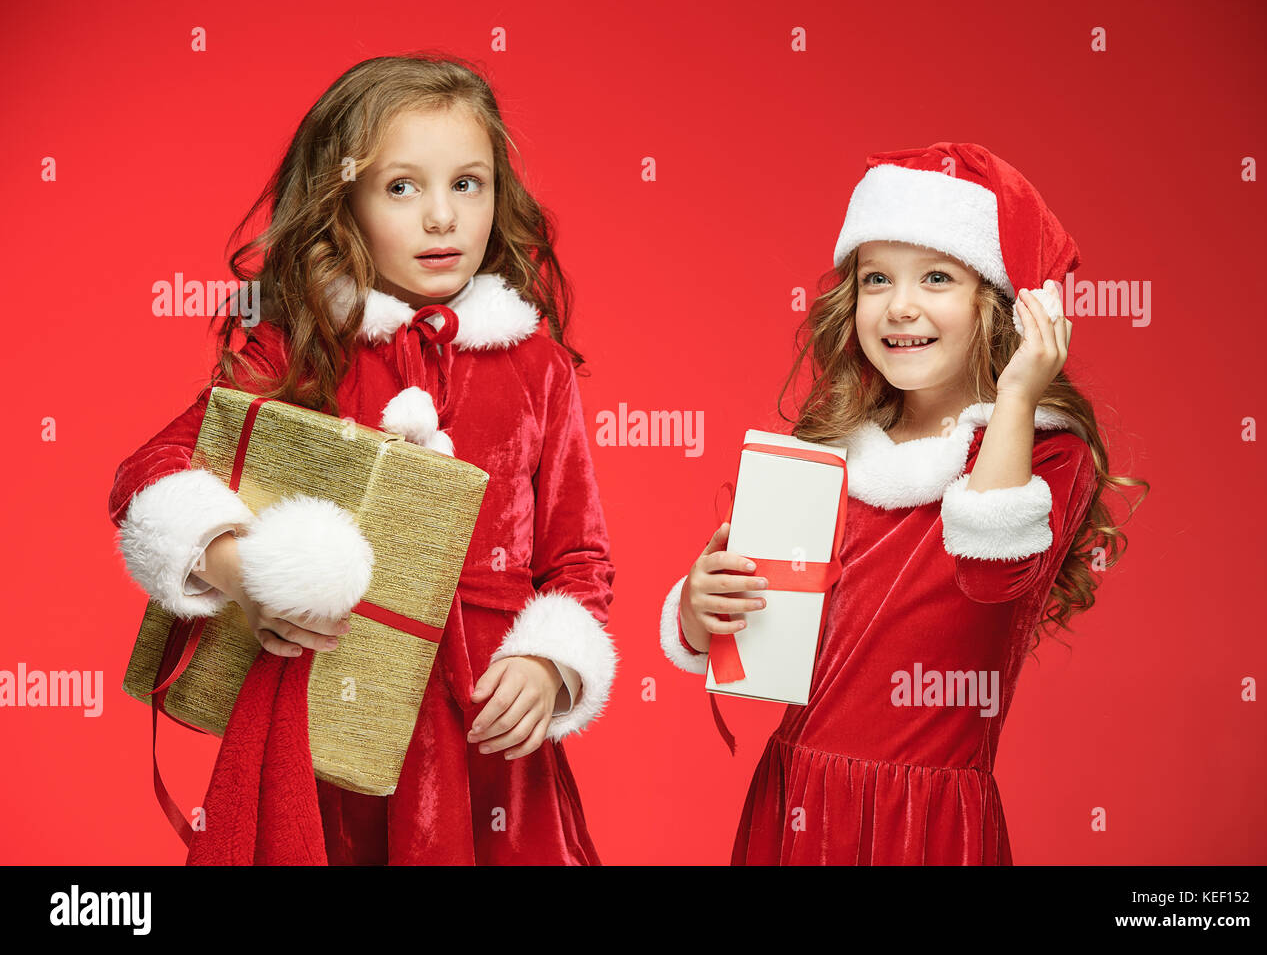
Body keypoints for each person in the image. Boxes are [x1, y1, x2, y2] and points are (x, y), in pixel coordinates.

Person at [110, 53, 616, 865]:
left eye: (469, 183)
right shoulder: (302, 347)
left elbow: (580, 560)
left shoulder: (539, 369)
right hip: (327, 719)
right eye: (402, 187)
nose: (443, 218)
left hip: (487, 740)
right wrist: (247, 573)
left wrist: (553, 664)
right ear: (342, 201)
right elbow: (150, 472)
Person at [658, 142, 1147, 864]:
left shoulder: (1044, 451)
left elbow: (991, 574)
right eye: (877, 277)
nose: (900, 306)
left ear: (999, 301)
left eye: (938, 277)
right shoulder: (835, 447)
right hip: (794, 801)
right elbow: (761, 636)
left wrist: (1016, 396)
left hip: (924, 820)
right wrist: (700, 610)